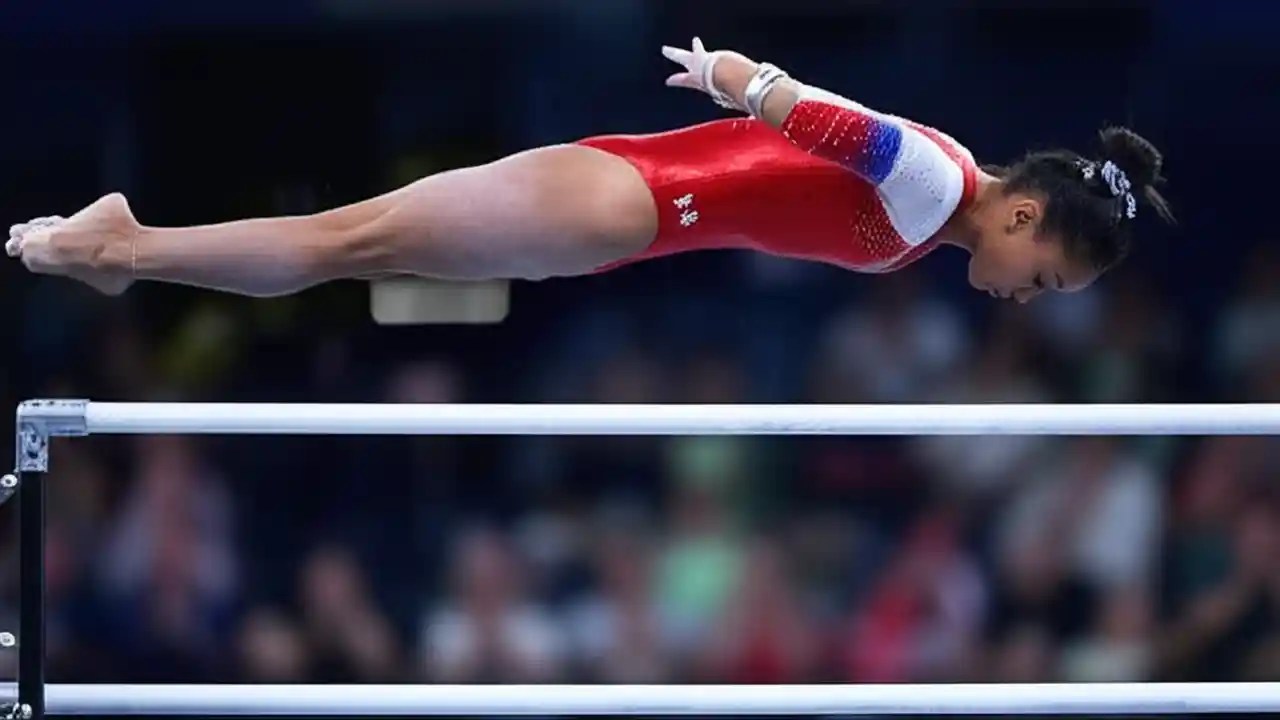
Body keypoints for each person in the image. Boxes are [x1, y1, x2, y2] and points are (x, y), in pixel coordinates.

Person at [7, 39, 1173, 305]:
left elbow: (849, 135)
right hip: (623, 204)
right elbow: (852, 134)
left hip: (624, 197)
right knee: (344, 249)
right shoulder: (936, 187)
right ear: (1023, 214)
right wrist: (746, 79)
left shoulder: (947, 188)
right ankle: (121, 247)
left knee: (351, 250)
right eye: (1045, 276)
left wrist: (747, 83)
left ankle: (127, 248)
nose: (1030, 300)